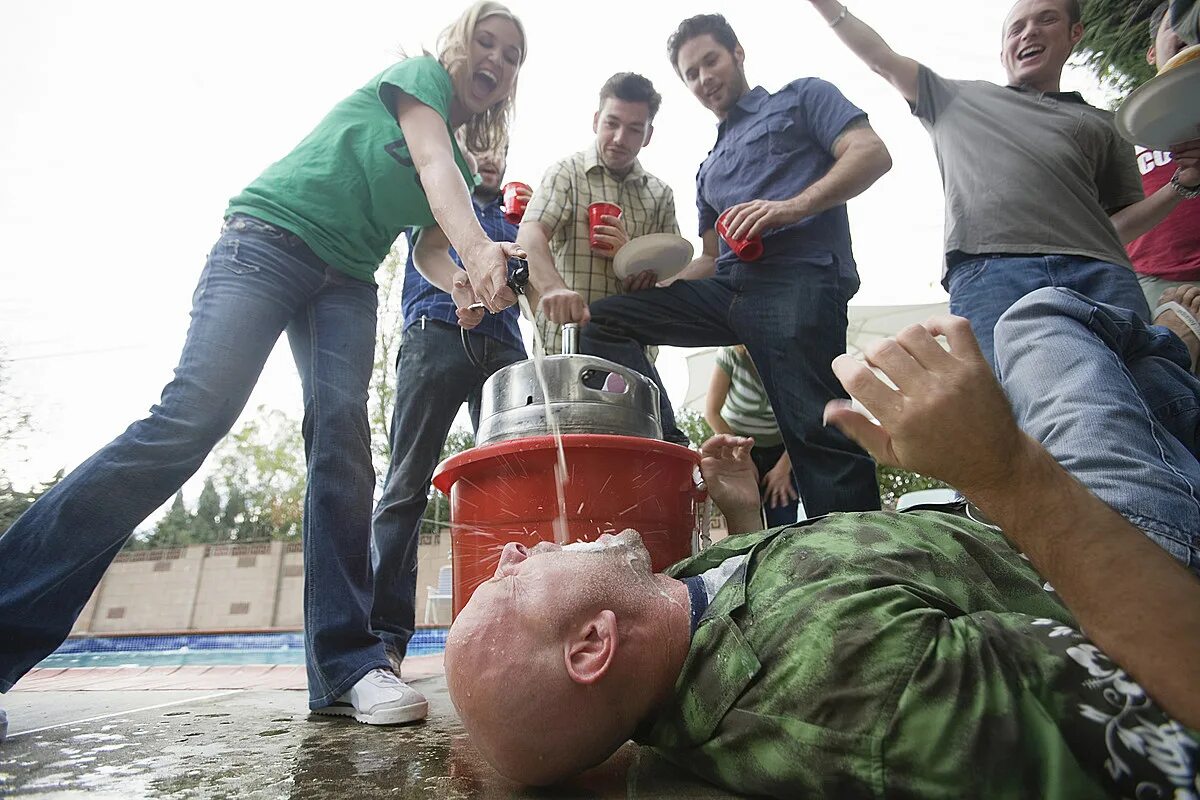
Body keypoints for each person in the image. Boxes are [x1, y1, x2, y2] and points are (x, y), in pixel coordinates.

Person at [0, 0, 527, 726]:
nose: (495, 61)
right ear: (460, 46)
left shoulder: (462, 160)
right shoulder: (419, 82)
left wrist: (465, 282)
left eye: (511, 57)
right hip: (266, 242)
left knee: (344, 447)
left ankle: (348, 666)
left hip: (345, 281)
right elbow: (434, 166)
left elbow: (432, 244)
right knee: (189, 421)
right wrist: (478, 248)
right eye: (487, 43)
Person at [445, 299, 1200, 797]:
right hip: (1119, 549)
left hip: (1007, 517)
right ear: (589, 647)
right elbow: (1163, 723)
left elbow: (778, 601)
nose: (510, 557)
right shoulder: (866, 687)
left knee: (1124, 382)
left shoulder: (669, 619)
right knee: (1040, 320)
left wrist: (746, 520)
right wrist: (1004, 469)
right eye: (506, 590)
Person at [579, 13, 891, 515]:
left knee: (818, 435)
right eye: (691, 73)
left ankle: (867, 570)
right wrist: (660, 281)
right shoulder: (708, 167)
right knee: (605, 320)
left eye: (711, 61)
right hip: (728, 292)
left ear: (737, 53)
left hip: (799, 280)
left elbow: (872, 153)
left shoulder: (803, 96)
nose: (704, 78)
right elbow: (708, 258)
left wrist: (791, 207)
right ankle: (671, 444)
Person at [806, 0, 1200, 368]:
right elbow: (881, 58)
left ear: (1074, 33)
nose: (1028, 33)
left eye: (1046, 19)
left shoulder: (1104, 123)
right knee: (1015, 407)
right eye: (1016, 28)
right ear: (1003, 51)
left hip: (1102, 272)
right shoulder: (953, 98)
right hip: (993, 272)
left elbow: (1118, 224)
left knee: (1141, 388)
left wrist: (1181, 184)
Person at [370, 139, 528, 677]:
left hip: (506, 345)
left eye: (498, 149)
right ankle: (382, 642)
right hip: (434, 330)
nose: (489, 157)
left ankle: (522, 630)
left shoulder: (517, 214)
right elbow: (428, 252)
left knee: (517, 488)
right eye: (477, 146)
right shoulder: (441, 196)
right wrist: (461, 288)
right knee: (405, 486)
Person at [517, 72, 680, 354]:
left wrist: (632, 258)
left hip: (633, 351)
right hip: (563, 346)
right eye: (611, 123)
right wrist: (553, 289)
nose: (619, 138)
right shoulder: (565, 173)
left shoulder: (660, 195)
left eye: (634, 129)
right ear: (596, 121)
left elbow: (674, 280)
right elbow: (530, 234)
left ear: (649, 135)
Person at [1128, 3, 1200, 314]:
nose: (1183, 30)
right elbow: (1110, 223)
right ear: (1151, 53)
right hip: (1156, 281)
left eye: (1189, 24)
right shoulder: (1128, 126)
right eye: (1172, 24)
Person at [703, 345, 799, 526]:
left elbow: (805, 422)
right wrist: (742, 458)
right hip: (740, 448)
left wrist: (784, 467)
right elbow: (712, 412)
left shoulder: (796, 356)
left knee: (784, 523)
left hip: (785, 451)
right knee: (743, 513)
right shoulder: (730, 353)